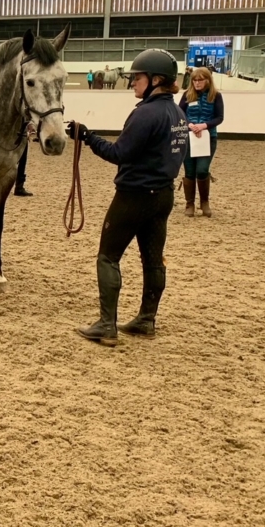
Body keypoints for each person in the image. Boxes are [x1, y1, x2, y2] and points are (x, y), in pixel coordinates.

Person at [66, 49, 188, 346]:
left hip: (134, 196)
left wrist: (88, 137)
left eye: (138, 78)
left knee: (108, 257)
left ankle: (106, 325)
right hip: (163, 195)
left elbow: (118, 153)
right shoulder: (177, 114)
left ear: (155, 80)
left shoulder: (146, 113)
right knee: (153, 260)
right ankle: (146, 319)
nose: (133, 82)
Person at [178, 67, 224, 217]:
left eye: (200, 80)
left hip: (208, 137)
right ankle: (189, 203)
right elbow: (180, 114)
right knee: (189, 171)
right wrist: (190, 125)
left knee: (202, 170)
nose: (197, 83)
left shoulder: (216, 96)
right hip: (189, 136)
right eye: (195, 80)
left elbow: (219, 117)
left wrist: (204, 125)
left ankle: (204, 202)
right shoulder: (187, 95)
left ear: (208, 80)